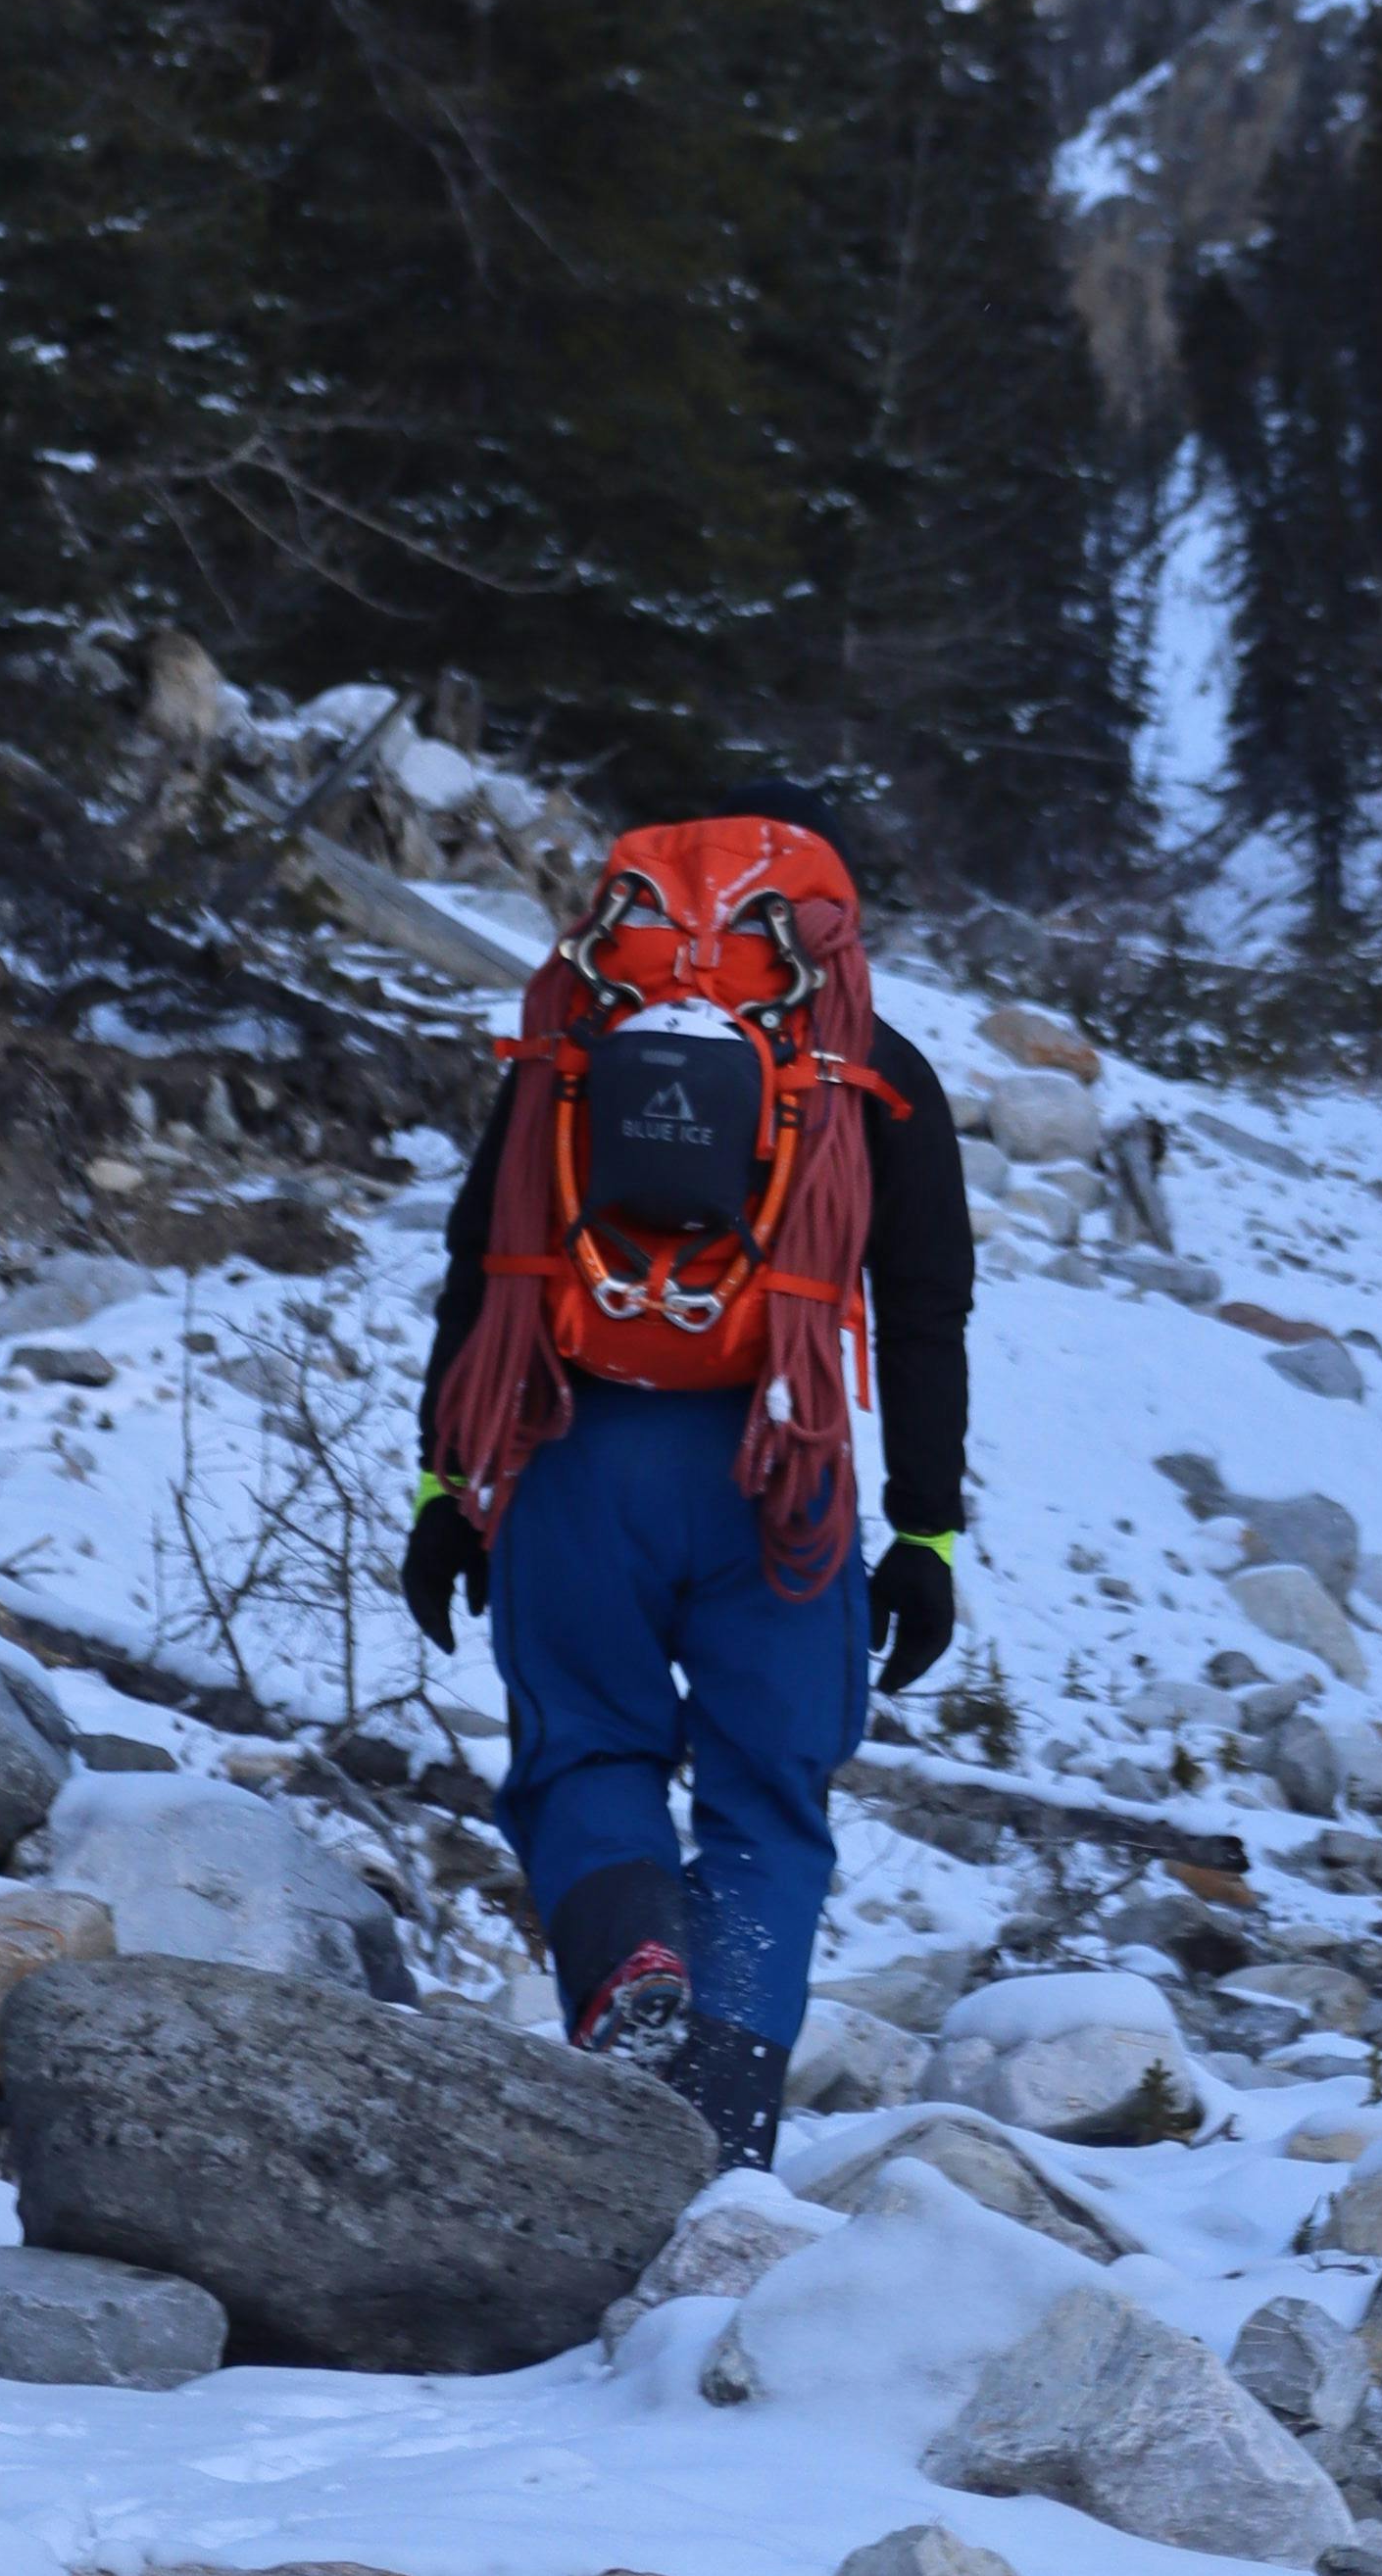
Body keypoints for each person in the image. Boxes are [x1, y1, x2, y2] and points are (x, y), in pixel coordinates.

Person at [399, 800, 972, 2169]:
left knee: (588, 1755)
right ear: (828, 927)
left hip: (573, 1453)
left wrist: (444, 1496)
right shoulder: (865, 1067)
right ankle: (719, 2152)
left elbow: (485, 1262)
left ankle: (629, 1966)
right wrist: (927, 1534)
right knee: (767, 1806)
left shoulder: (578, 1039)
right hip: (781, 1466)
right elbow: (927, 1307)